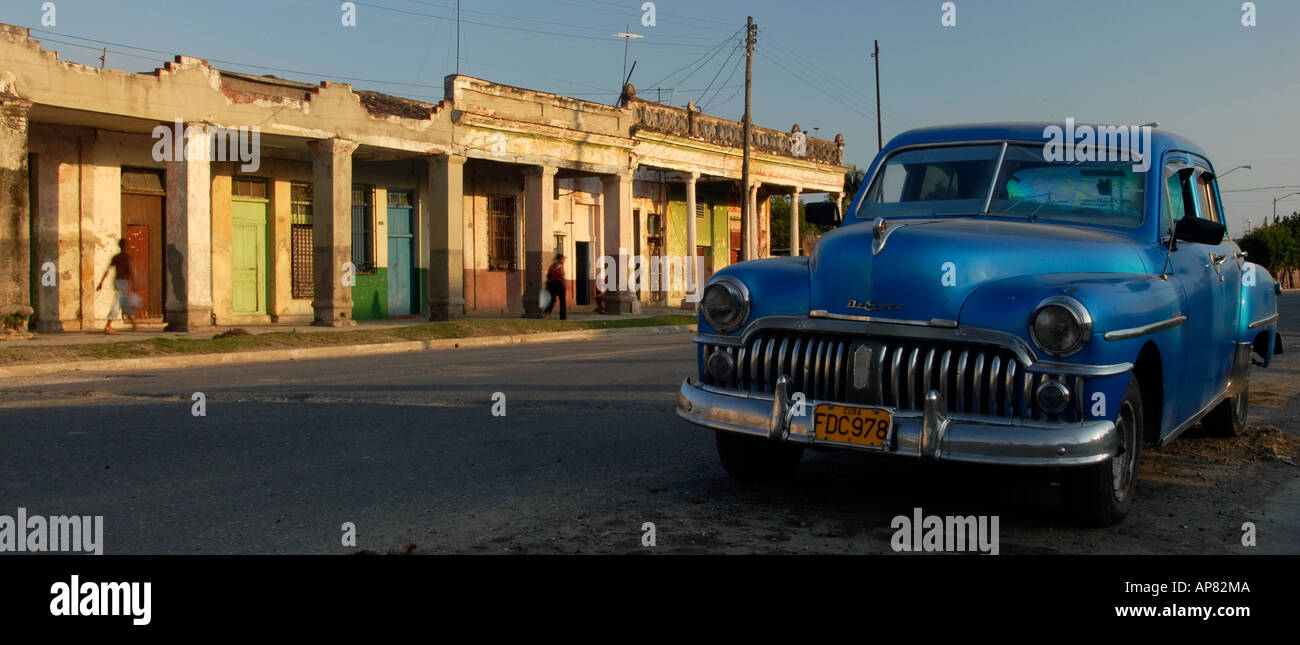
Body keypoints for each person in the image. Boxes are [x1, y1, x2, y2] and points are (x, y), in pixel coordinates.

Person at [96, 239, 136, 333]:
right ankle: (108, 325)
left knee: (123, 301)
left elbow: (108, 270)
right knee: (118, 302)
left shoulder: (117, 257)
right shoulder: (125, 257)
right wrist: (134, 283)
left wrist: (101, 283)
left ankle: (132, 322)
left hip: (118, 281)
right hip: (122, 282)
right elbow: (130, 272)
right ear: (125, 246)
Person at [543, 253, 567, 320]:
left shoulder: (552, 266)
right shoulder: (560, 266)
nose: (564, 260)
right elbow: (562, 275)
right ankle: (563, 316)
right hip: (559, 284)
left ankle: (547, 313)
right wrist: (564, 284)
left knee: (552, 300)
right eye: (563, 259)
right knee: (562, 301)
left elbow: (548, 276)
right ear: (560, 259)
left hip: (552, 284)